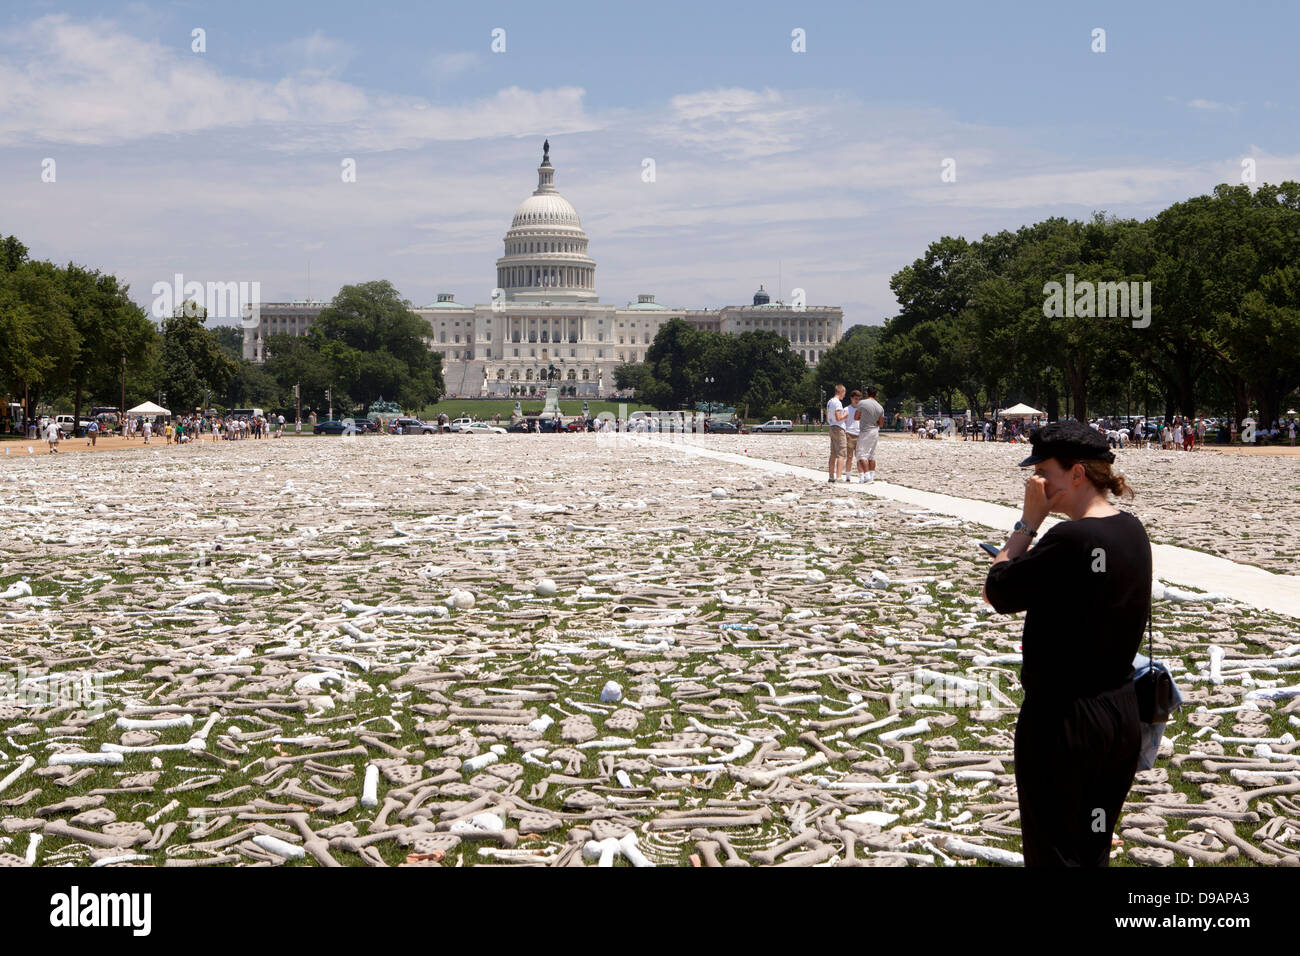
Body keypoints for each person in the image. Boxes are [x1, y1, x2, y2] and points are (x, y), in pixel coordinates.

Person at [983, 421, 1149, 867]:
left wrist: (1027, 523)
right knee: (1092, 842)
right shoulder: (1131, 529)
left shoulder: (1071, 538)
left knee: (1053, 849)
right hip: (1119, 713)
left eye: (1044, 471)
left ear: (1077, 473)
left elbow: (997, 588)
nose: (1037, 483)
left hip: (1064, 721)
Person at [855, 386, 885, 482]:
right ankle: (872, 476)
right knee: (871, 455)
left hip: (865, 430)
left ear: (867, 393)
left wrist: (864, 418)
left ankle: (866, 475)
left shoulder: (862, 403)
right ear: (876, 395)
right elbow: (881, 423)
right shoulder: (880, 407)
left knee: (861, 454)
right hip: (875, 431)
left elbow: (856, 417)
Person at [826, 385, 848, 483]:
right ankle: (839, 476)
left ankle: (831, 476)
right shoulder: (838, 403)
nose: (844, 395)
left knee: (833, 453)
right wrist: (845, 415)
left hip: (831, 427)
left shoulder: (830, 402)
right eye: (844, 393)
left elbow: (828, 417)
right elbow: (838, 417)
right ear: (841, 391)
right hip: (839, 428)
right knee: (841, 453)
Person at [843, 390, 862, 482]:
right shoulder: (846, 409)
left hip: (859, 435)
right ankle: (848, 476)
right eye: (855, 399)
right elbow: (843, 423)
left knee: (859, 457)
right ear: (851, 398)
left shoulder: (861, 409)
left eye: (858, 399)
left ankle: (861, 476)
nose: (857, 401)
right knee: (849, 457)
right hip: (849, 434)